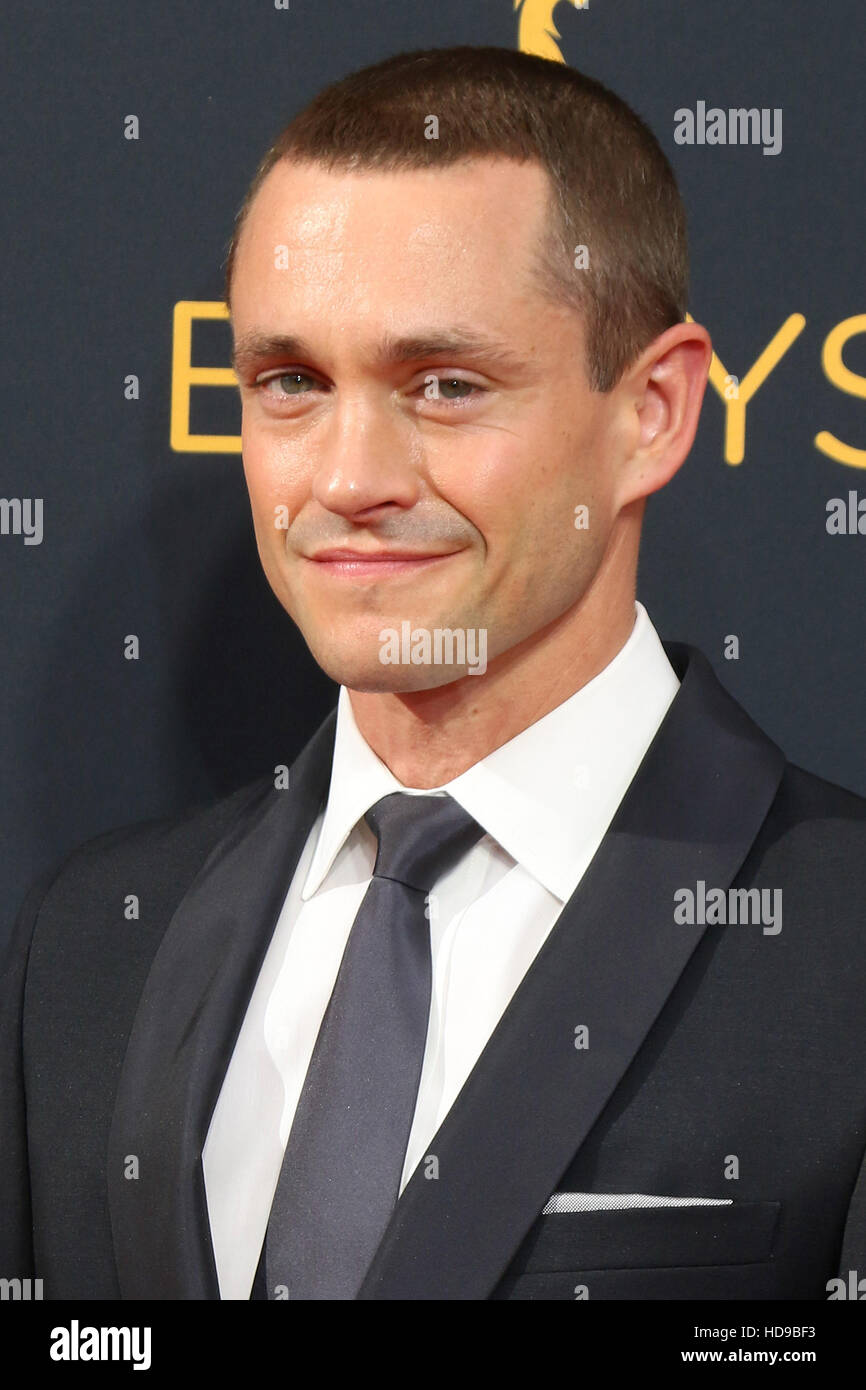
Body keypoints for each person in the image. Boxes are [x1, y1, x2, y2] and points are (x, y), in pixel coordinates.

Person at [3, 45, 866, 1303]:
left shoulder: (837, 948)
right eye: (291, 381)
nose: (348, 478)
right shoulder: (86, 944)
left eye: (445, 385)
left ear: (654, 413)